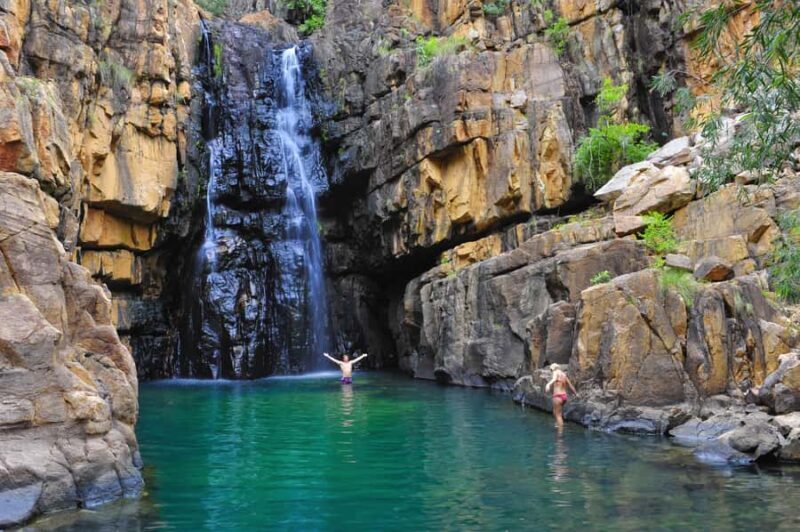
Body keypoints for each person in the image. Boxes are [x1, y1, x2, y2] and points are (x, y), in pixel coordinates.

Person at [545, 363, 577, 428]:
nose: (551, 372)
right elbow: (570, 385)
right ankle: (558, 423)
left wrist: (548, 384)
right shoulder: (564, 375)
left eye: (551, 370)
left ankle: (560, 433)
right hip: (564, 396)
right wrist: (576, 393)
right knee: (556, 412)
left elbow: (554, 379)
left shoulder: (555, 372)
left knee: (558, 415)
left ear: (553, 369)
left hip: (558, 396)